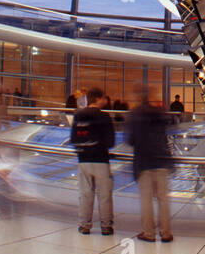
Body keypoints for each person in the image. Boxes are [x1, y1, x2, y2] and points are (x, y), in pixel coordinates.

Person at [127, 92, 174, 242]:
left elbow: (130, 140)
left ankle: (149, 233)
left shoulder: (135, 115)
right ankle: (166, 233)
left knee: (146, 200)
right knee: (163, 199)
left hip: (144, 162)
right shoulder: (160, 115)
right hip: (161, 161)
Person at [70, 87, 116, 235]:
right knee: (104, 195)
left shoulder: (78, 116)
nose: (105, 101)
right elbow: (110, 142)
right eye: (103, 98)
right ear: (97, 99)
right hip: (101, 160)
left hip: (83, 160)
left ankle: (84, 225)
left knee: (85, 194)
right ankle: (106, 225)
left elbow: (73, 139)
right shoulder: (105, 117)